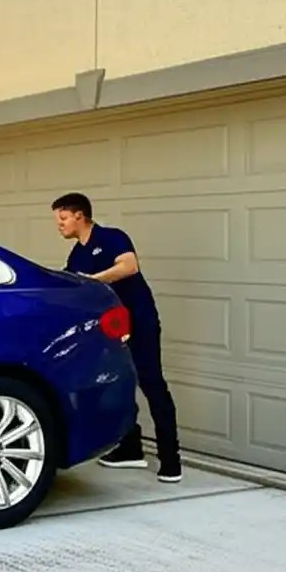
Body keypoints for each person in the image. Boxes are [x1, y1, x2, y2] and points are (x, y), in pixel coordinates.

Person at [51, 192, 182, 483]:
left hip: (140, 323)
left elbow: (128, 267)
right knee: (113, 385)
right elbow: (70, 287)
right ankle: (130, 449)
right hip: (109, 329)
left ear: (79, 216)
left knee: (151, 383)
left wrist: (92, 280)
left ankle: (171, 461)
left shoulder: (112, 237)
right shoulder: (77, 255)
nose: (59, 225)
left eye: (62, 218)